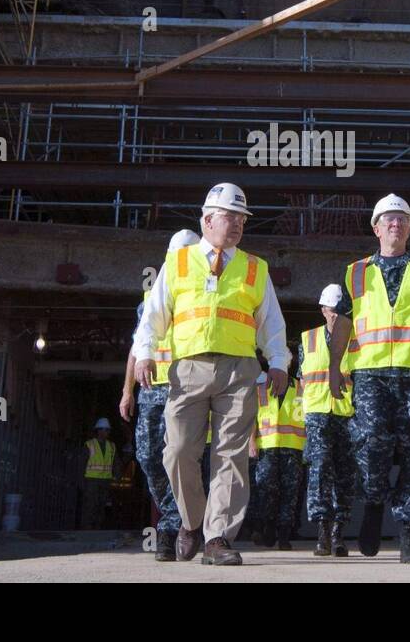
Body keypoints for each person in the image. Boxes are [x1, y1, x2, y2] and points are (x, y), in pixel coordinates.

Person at [132, 183, 290, 566]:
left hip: (239, 370)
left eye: (241, 218)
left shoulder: (255, 268)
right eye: (229, 216)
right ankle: (191, 520)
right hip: (187, 369)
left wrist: (279, 362)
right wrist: (145, 354)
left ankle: (217, 537)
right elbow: (153, 315)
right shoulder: (180, 263)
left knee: (230, 455)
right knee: (179, 450)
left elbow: (271, 322)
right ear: (207, 220)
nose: (237, 224)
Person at [325, 194, 410, 565]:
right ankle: (373, 500)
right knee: (370, 444)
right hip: (372, 374)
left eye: (401, 218)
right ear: (376, 228)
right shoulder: (356, 272)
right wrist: (335, 368)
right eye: (388, 219)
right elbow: (344, 324)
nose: (395, 224)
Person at [119, 229, 201, 561]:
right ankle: (176, 517)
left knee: (182, 460)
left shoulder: (202, 298)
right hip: (151, 392)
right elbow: (137, 349)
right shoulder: (150, 300)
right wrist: (127, 391)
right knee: (149, 457)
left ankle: (173, 529)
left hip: (186, 391)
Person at [299, 284, 357, 556]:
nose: (335, 316)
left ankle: (339, 533)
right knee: (320, 468)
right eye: (331, 311)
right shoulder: (306, 340)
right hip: (318, 414)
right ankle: (322, 530)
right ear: (323, 310)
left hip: (346, 415)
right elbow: (301, 381)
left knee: (344, 474)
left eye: (339, 311)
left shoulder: (355, 339)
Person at [250, 357, 306, 549]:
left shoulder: (301, 388)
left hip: (294, 447)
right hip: (267, 446)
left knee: (290, 492)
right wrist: (251, 443)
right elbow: (252, 418)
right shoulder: (261, 388)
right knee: (266, 489)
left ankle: (284, 535)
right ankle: (267, 528)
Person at [82, 418, 115, 529]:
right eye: (105, 430)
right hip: (91, 480)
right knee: (90, 506)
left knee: (101, 506)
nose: (107, 432)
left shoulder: (111, 446)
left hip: (105, 481)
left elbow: (116, 463)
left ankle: (98, 530)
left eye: (108, 430)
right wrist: (81, 482)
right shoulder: (89, 445)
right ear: (98, 431)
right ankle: (86, 530)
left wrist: (116, 477)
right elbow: (81, 463)